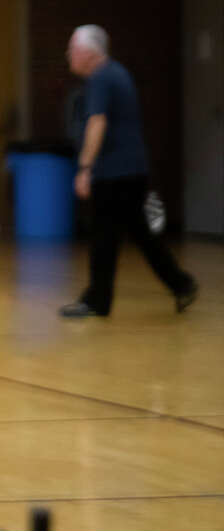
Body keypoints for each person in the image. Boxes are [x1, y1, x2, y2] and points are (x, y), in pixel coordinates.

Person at [59, 25, 197, 317]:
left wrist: (85, 168)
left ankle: (97, 301)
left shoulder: (101, 78)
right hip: (131, 170)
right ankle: (181, 284)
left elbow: (97, 123)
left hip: (114, 172)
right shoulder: (117, 73)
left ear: (87, 53)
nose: (68, 55)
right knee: (141, 234)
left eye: (72, 49)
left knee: (104, 236)